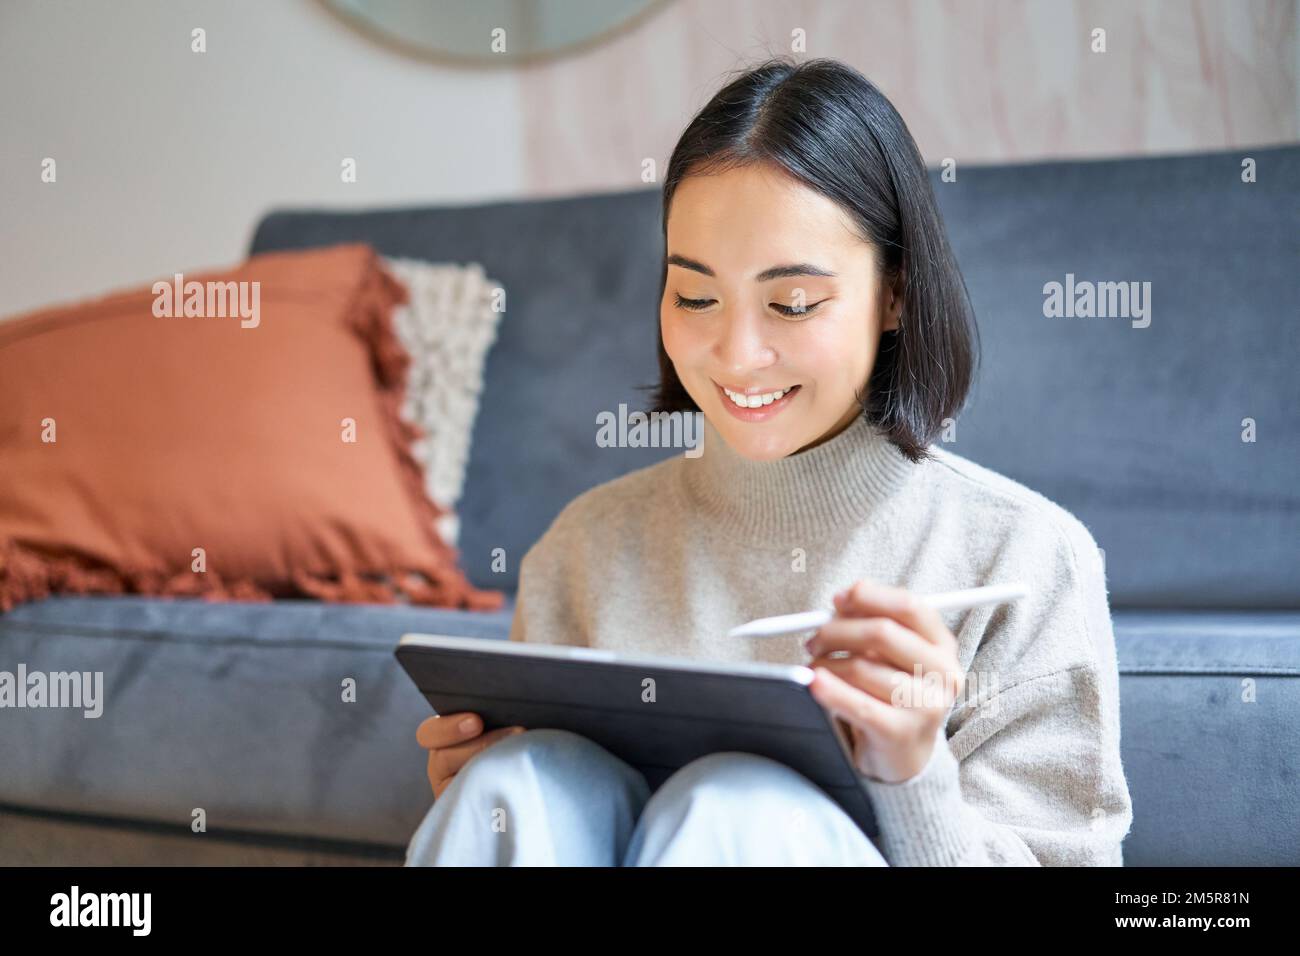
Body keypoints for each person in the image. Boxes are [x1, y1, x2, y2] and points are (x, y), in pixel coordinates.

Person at [405, 56, 1133, 867]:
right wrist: (493, 807)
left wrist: (914, 777)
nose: (738, 353)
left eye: (792, 303)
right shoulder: (584, 549)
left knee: (736, 807)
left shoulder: (1026, 558)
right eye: (695, 296)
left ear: (895, 294)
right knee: (513, 783)